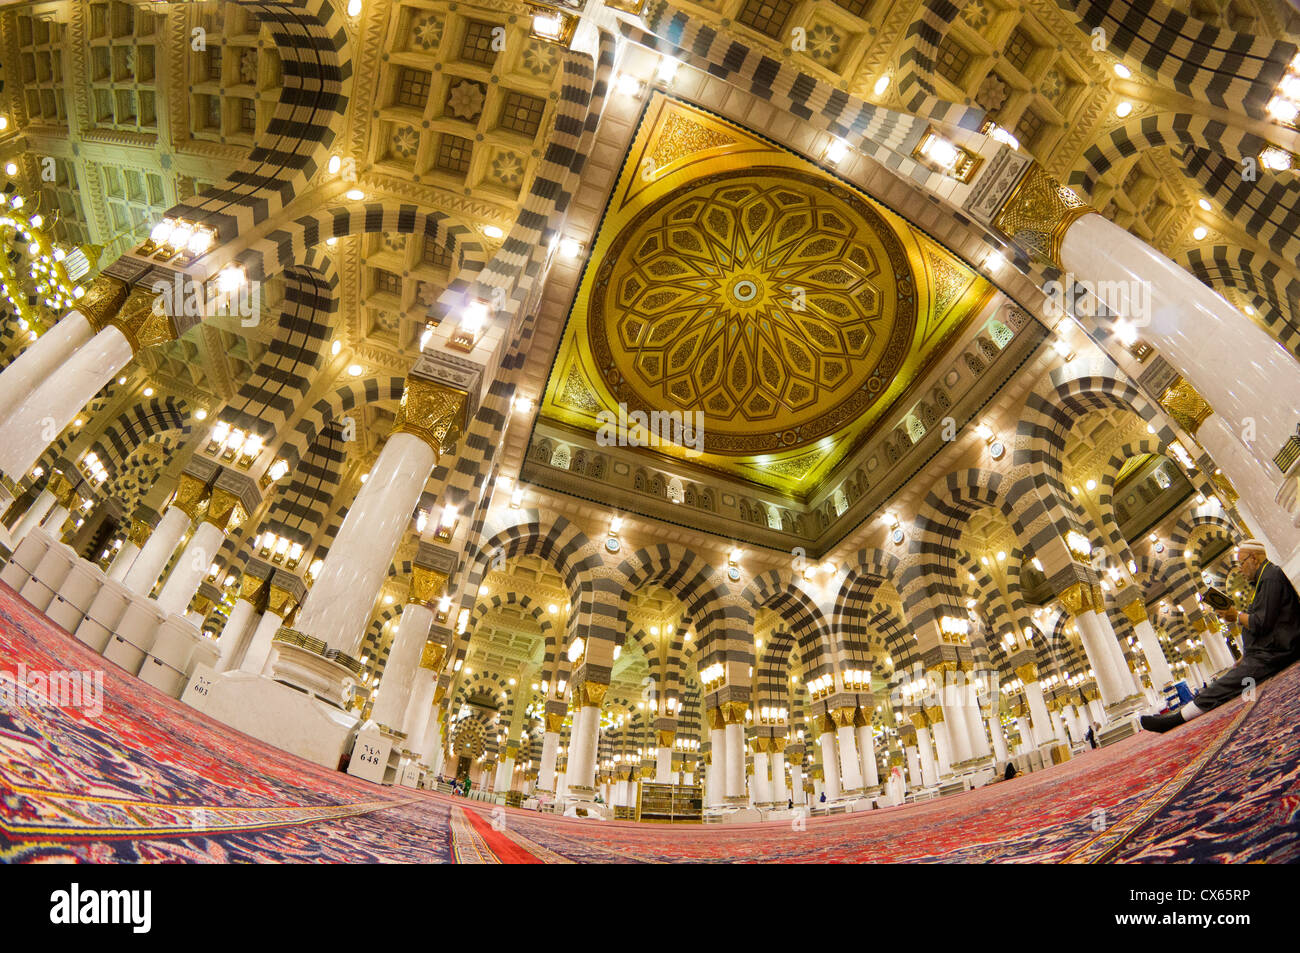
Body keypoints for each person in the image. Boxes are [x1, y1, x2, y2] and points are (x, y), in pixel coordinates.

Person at [1142, 540, 1300, 733]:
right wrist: (1244, 656)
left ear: (1255, 558)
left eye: (1242, 563)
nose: (1241, 569)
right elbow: (1268, 624)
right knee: (1231, 680)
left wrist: (1236, 616)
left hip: (1278, 652)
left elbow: (1261, 623)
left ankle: (1177, 719)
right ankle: (1183, 713)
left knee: (1229, 682)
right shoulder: (1265, 579)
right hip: (1268, 651)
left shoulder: (1270, 577)